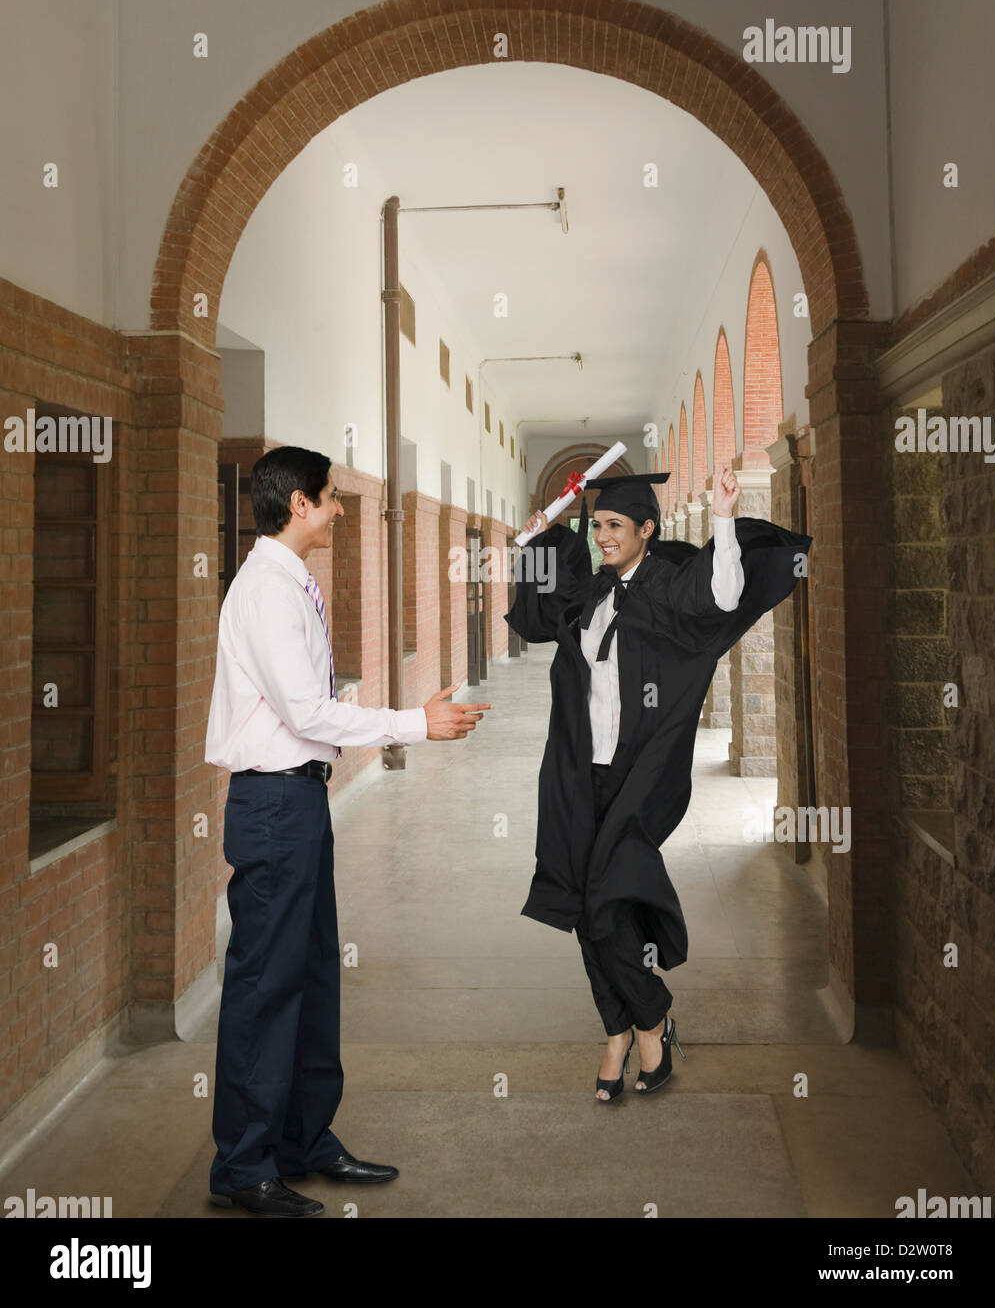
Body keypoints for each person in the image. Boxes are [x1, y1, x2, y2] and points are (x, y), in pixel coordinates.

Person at [204, 446, 491, 1216]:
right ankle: (243, 1165)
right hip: (271, 804)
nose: (337, 509)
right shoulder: (264, 589)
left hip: (298, 800)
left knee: (314, 972)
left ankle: (303, 1139)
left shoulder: (289, 582)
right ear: (298, 504)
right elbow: (304, 711)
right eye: (329, 498)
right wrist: (413, 724)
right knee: (266, 984)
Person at [505, 463, 812, 1101]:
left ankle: (648, 1017)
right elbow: (536, 619)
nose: (604, 537)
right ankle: (621, 1030)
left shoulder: (669, 586)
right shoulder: (591, 591)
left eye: (617, 526)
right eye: (598, 527)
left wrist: (724, 518)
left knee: (606, 893)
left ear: (648, 528)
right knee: (579, 896)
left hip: (640, 771)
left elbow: (721, 598)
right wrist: (536, 544)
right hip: (576, 767)